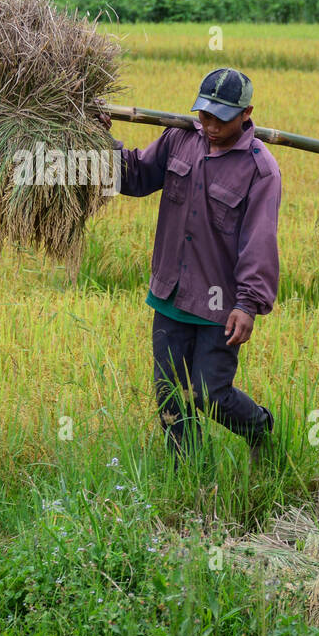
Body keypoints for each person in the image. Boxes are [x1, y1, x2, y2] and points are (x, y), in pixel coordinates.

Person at [99, 68, 280, 468]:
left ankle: (260, 430)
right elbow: (133, 176)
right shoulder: (180, 139)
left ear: (247, 112)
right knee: (169, 397)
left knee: (209, 394)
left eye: (221, 118)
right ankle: (191, 474)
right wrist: (100, 140)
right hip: (170, 294)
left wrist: (248, 305)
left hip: (219, 306)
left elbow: (259, 241)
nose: (210, 125)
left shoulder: (260, 169)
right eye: (204, 115)